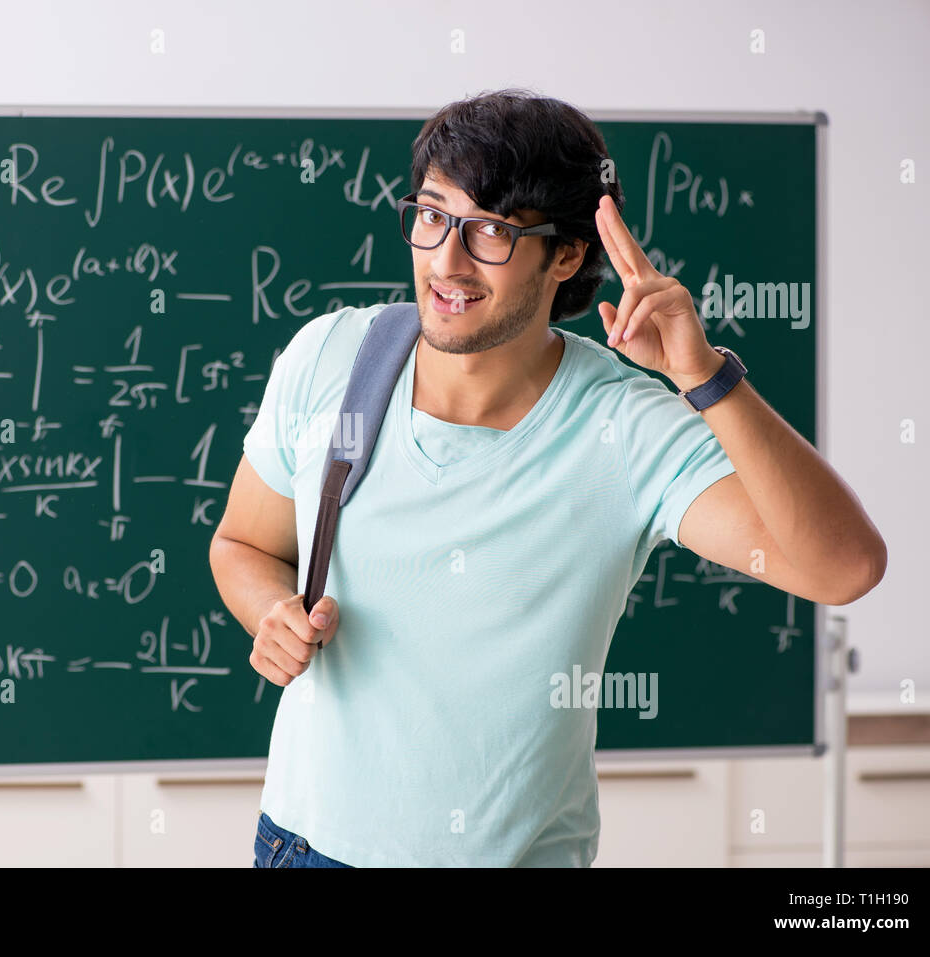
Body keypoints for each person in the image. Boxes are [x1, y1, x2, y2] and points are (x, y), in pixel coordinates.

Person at [209, 89, 887, 867]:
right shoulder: (331, 358)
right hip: (307, 846)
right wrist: (270, 614)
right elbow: (241, 544)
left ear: (565, 255)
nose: (447, 262)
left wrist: (704, 377)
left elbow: (846, 567)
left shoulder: (624, 426)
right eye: (432, 216)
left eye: (491, 232)